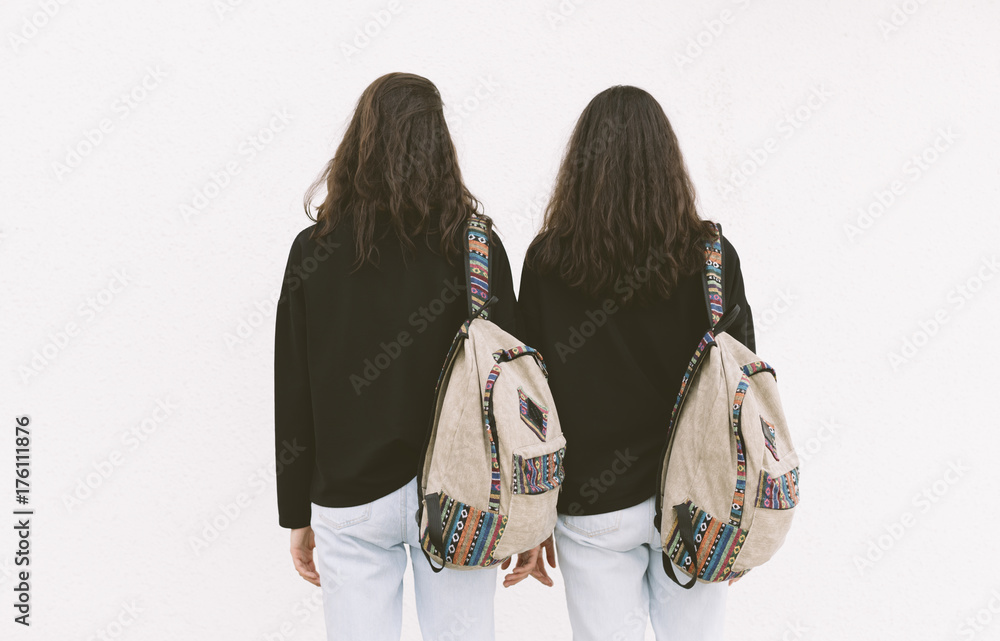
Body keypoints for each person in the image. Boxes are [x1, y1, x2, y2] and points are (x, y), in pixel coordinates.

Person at [273, 72, 522, 641]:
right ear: (441, 149)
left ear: (359, 143)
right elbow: (520, 387)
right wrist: (527, 506)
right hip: (461, 492)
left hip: (349, 495)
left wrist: (296, 512)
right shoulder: (478, 248)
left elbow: (292, 383)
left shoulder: (314, 251)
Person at [517, 85, 756, 640]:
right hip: (696, 500)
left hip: (592, 505)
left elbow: (529, 399)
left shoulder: (549, 260)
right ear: (668, 162)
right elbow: (742, 386)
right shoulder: (711, 258)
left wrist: (533, 510)